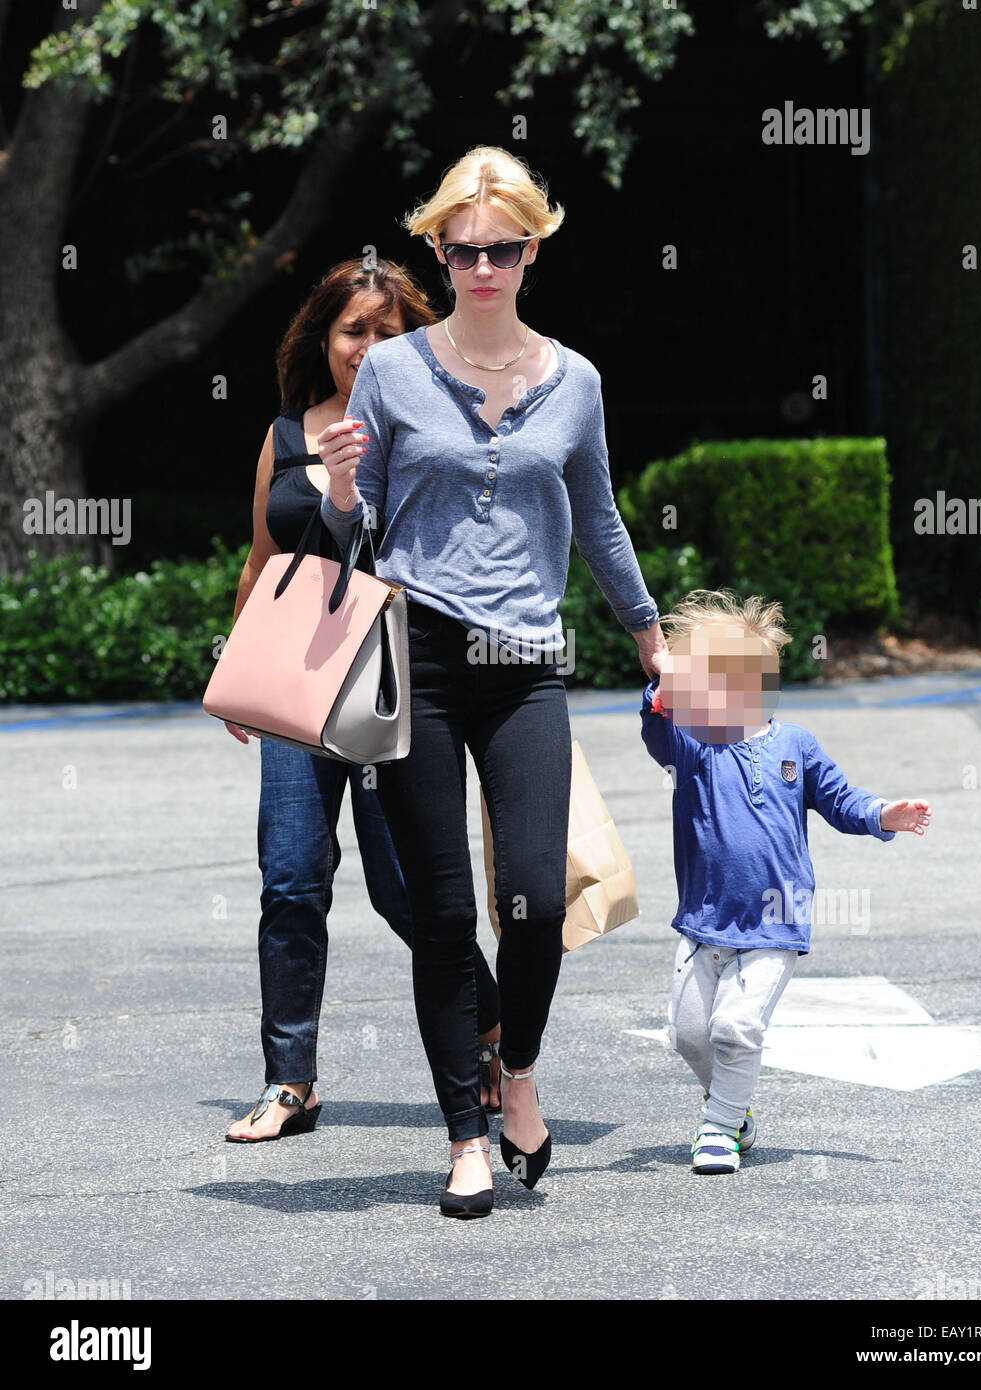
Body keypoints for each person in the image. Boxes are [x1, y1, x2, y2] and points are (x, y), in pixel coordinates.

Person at [318, 146, 669, 1215]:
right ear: (437, 248)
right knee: (437, 911)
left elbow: (602, 520)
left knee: (529, 896)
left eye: (502, 248)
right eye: (461, 250)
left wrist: (652, 637)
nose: (482, 267)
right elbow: (355, 526)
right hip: (416, 659)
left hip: (524, 669)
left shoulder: (576, 381)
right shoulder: (390, 370)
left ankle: (513, 1073)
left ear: (532, 248)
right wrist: (337, 486)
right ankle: (464, 1138)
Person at [224, 259, 504, 1143]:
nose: (368, 347)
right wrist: (239, 669)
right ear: (323, 339)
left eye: (387, 332)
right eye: (353, 330)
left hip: (393, 690)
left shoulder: (429, 428)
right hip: (297, 690)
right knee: (292, 882)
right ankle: (289, 1082)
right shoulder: (285, 433)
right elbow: (262, 559)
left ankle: (490, 1030)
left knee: (405, 889)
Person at [640, 589, 932, 1174]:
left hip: (774, 919)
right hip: (704, 921)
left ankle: (720, 1126)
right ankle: (734, 1106)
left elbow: (840, 798)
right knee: (690, 1034)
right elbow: (656, 724)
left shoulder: (795, 743)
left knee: (736, 1026)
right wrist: (667, 677)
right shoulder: (691, 745)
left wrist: (882, 814)